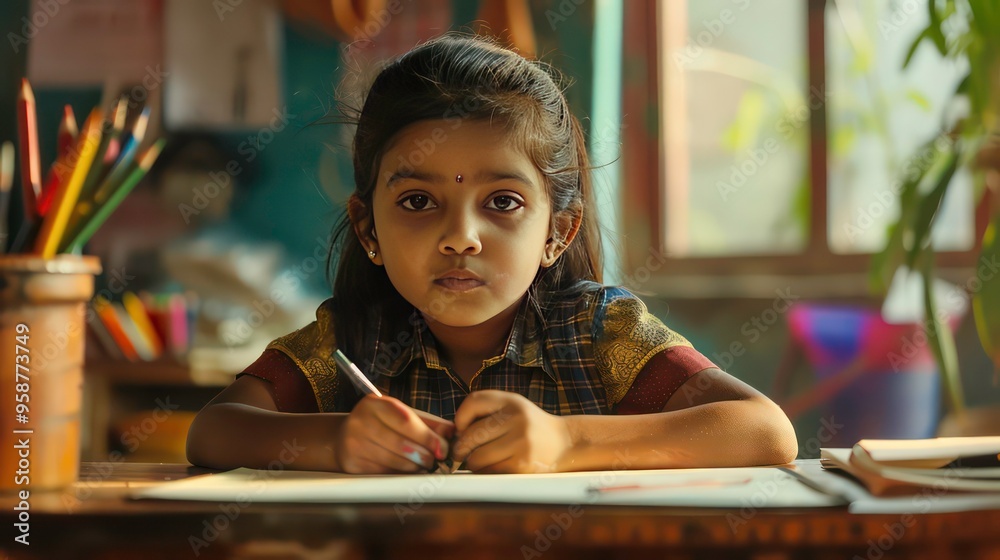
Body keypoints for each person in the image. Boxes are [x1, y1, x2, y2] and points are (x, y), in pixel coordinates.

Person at [186, 33, 798, 474]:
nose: (461, 237)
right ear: (367, 227)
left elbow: (764, 431)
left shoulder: (601, 334)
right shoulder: (349, 338)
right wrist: (338, 440)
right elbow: (213, 431)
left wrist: (565, 444)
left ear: (558, 232)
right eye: (418, 202)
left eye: (502, 202)